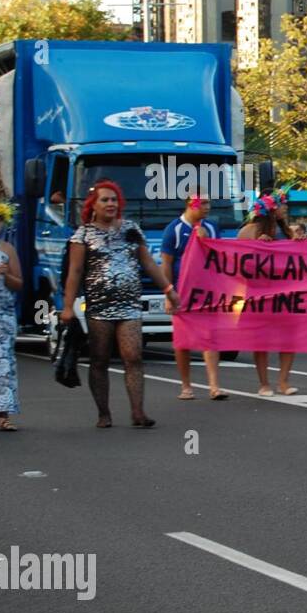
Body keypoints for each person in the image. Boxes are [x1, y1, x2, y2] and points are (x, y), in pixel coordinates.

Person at [61, 181, 177, 428]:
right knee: (100, 359)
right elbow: (75, 271)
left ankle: (138, 412)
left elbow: (148, 264)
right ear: (93, 205)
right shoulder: (83, 234)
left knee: (133, 356)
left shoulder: (131, 229)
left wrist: (169, 289)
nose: (111, 204)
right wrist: (68, 306)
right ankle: (104, 413)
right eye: (105, 200)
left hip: (130, 306)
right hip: (99, 308)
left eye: (114, 199)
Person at [160, 195, 227, 401]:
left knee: (210, 336)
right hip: (182, 291)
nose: (208, 207)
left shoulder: (212, 227)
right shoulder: (175, 229)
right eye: (204, 203)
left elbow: (220, 257)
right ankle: (186, 386)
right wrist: (169, 293)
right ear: (191, 204)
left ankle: (214, 386)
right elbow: (166, 264)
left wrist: (206, 240)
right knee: (183, 340)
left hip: (206, 290)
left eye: (209, 203)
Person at [237, 195, 299, 396]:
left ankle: (283, 381)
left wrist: (300, 244)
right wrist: (257, 246)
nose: (286, 207)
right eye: (281, 204)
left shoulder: (287, 232)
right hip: (258, 293)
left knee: (288, 339)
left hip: (285, 293)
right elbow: (239, 262)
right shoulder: (247, 231)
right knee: (260, 339)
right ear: (271, 209)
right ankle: (264, 384)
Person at [0, 201, 22, 431]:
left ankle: (3, 415)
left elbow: (18, 284)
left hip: (3, 316)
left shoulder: (7, 249)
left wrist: (6, 274)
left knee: (3, 364)